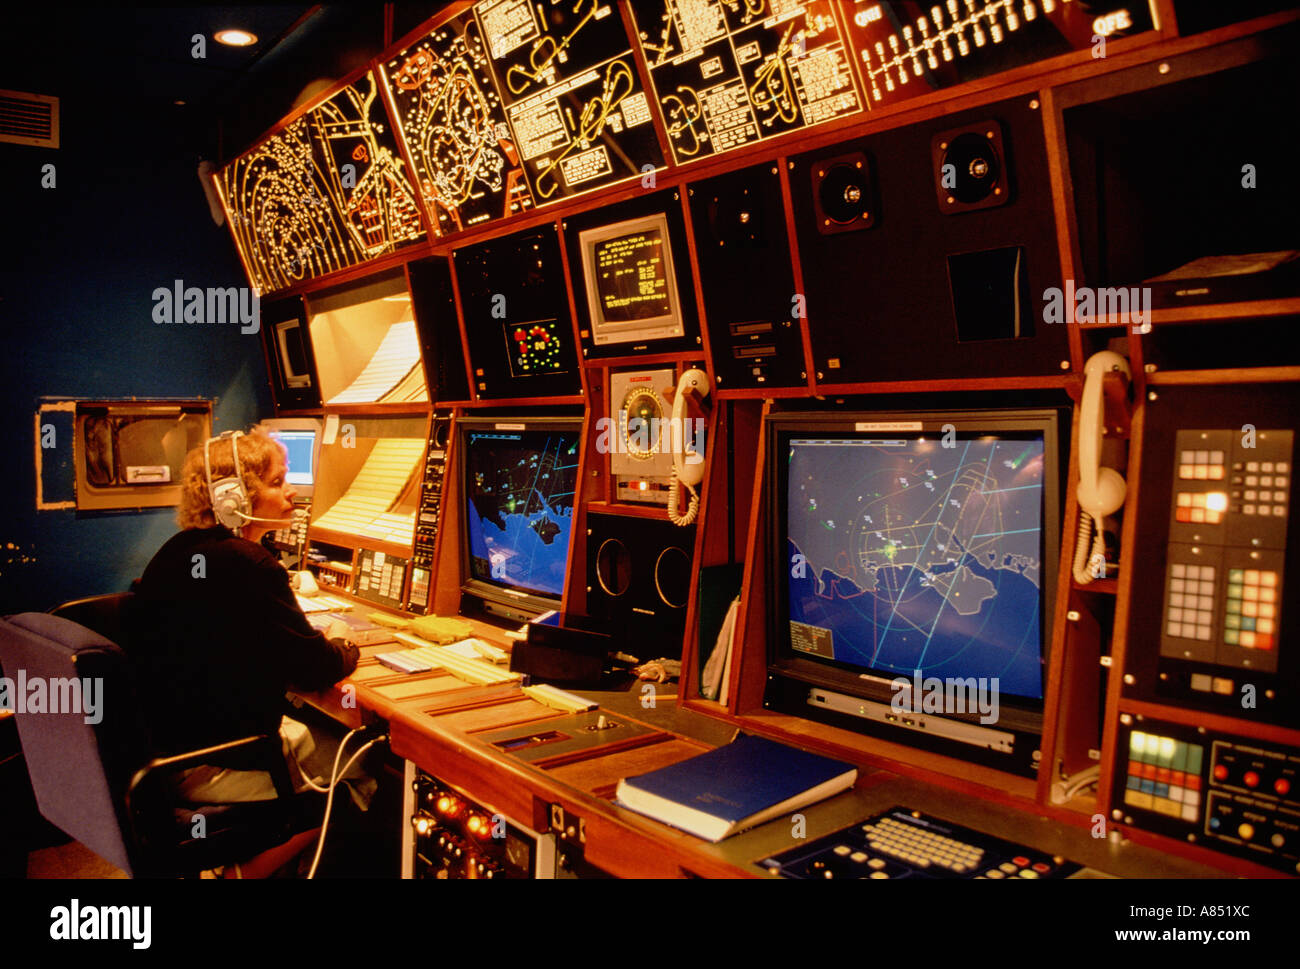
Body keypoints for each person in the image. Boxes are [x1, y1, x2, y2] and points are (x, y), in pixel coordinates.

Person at [126, 427, 359, 808]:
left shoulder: (177, 549)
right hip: (215, 765)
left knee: (311, 735)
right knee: (362, 776)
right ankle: (245, 866)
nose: (292, 492)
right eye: (277, 482)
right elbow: (316, 669)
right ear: (231, 498)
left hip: (166, 759)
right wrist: (345, 644)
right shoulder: (250, 564)